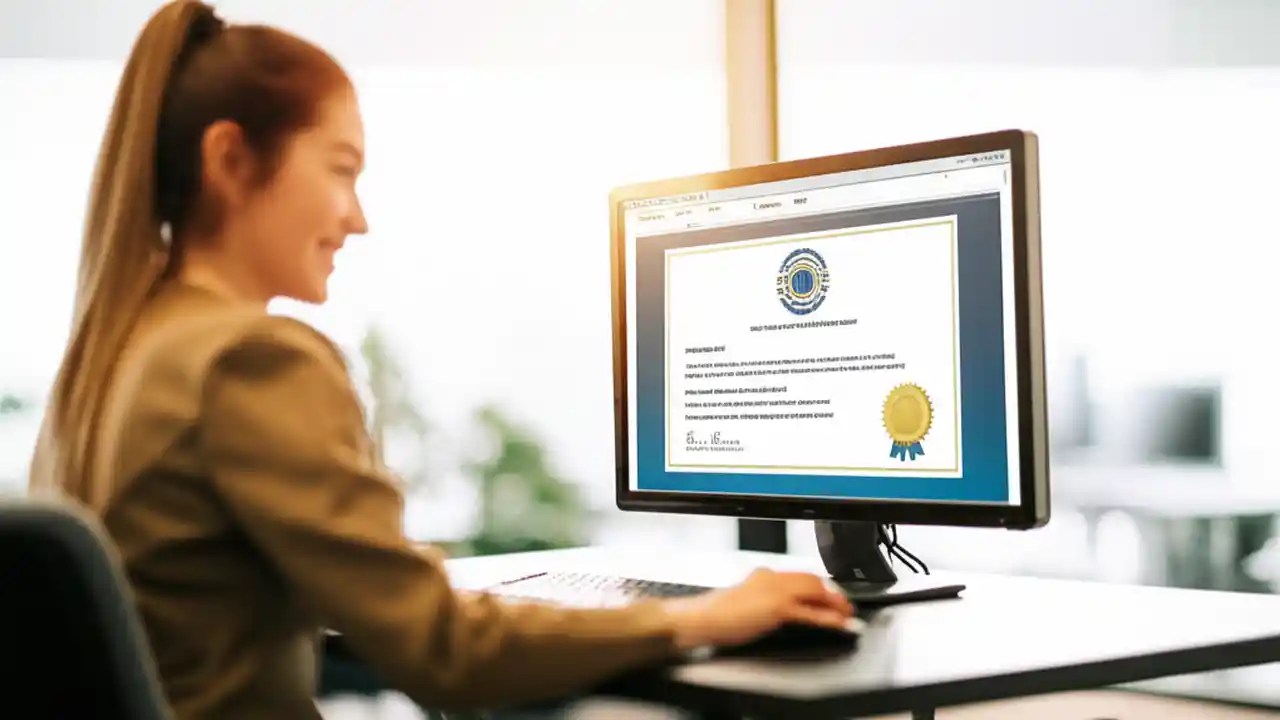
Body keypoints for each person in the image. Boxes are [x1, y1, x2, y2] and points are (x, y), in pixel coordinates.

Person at [27, 2, 855, 719]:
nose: (357, 218)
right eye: (341, 170)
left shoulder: (114, 356)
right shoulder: (250, 359)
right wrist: (700, 617)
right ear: (231, 161)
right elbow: (443, 649)